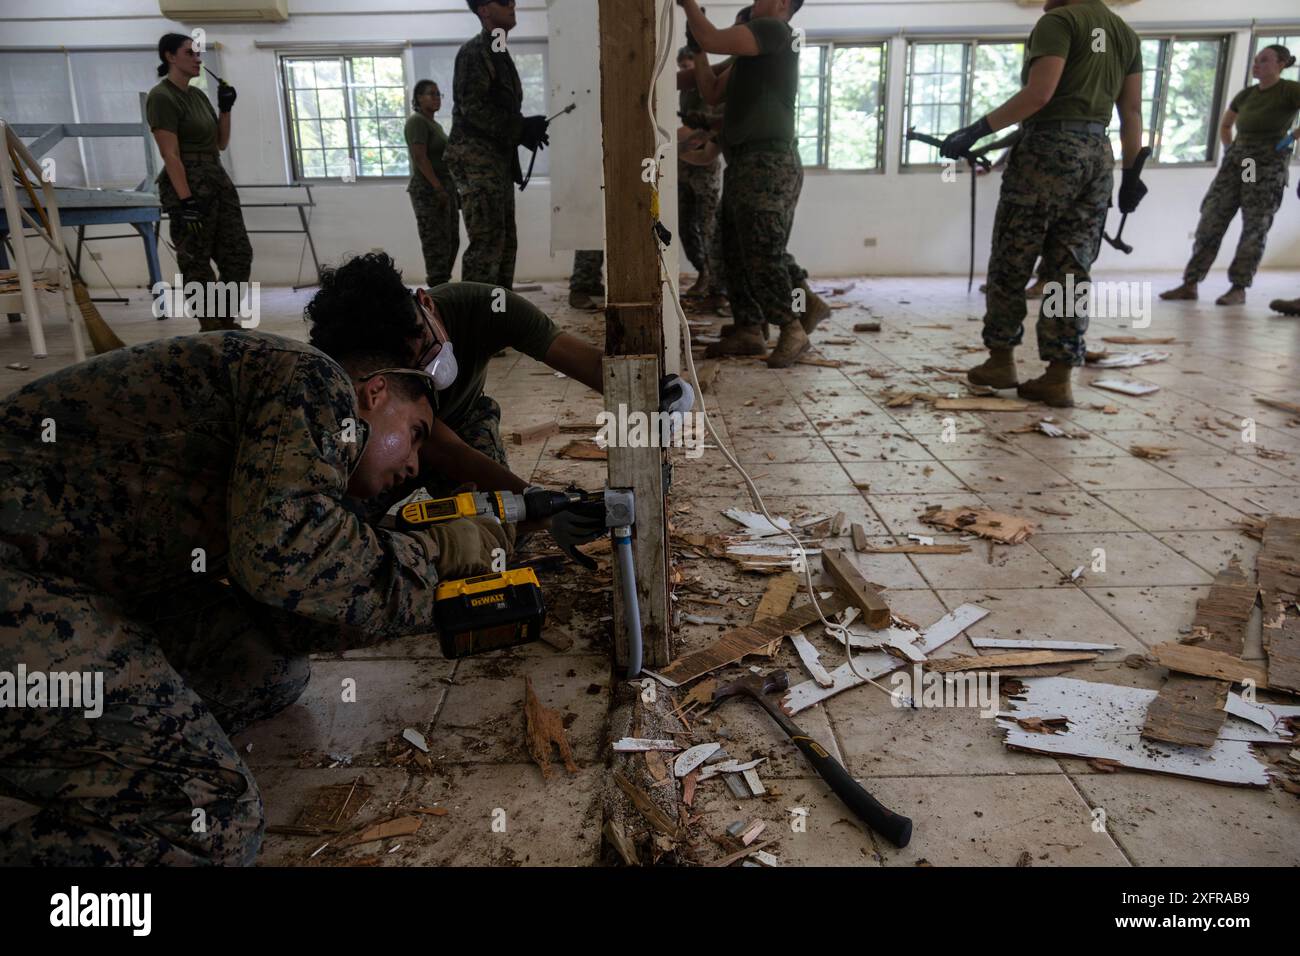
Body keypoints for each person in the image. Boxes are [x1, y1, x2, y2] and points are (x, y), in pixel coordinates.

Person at [0, 331, 511, 864]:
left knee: (264, 667)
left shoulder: (292, 447)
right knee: (212, 825)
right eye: (415, 433)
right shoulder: (316, 381)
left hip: (70, 575)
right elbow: (287, 558)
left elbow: (289, 601)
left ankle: (79, 747)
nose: (412, 465)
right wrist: (434, 554)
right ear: (375, 393)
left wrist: (460, 596)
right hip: (18, 576)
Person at [304, 253, 695, 553]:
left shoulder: (486, 307)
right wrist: (542, 507)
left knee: (499, 533)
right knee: (351, 540)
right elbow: (449, 453)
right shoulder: (349, 378)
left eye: (424, 348)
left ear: (426, 303)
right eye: (408, 371)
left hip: (462, 424)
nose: (428, 373)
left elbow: (591, 365)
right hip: (393, 440)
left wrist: (658, 390)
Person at [942, 0, 1146, 408]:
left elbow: (1040, 94)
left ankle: (1001, 360)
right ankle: (1058, 375)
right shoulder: (1124, 33)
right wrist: (1131, 174)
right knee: (1070, 268)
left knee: (1012, 259)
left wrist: (976, 130)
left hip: (1048, 151)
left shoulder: (1059, 22)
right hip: (1097, 155)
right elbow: (1132, 111)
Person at [681, 0, 811, 369]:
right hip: (744, 162)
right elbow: (709, 90)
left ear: (783, 3)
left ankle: (791, 328)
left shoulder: (775, 30)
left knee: (761, 248)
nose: (755, 1)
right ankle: (749, 328)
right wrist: (696, 49)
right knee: (732, 249)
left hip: (767, 161)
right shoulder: (750, 58)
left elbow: (714, 37)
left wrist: (689, 5)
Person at [1160, 44, 1300, 306]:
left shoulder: (1289, 91)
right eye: (1256, 59)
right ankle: (1190, 283)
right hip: (1239, 162)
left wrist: (1292, 136)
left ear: (1281, 64)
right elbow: (1226, 125)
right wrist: (1230, 148)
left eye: (1264, 60)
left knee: (1254, 226)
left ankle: (1238, 288)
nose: (1257, 64)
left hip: (1266, 165)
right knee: (1212, 218)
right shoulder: (1247, 95)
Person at [147, 33, 252, 331]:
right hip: (188, 182)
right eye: (190, 53)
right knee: (196, 259)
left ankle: (225, 318)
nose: (198, 59)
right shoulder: (162, 97)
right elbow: (170, 154)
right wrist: (186, 200)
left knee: (238, 253)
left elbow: (220, 142)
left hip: (216, 177)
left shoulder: (197, 95)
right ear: (169, 56)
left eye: (198, 54)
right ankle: (211, 324)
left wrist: (226, 108)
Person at [445, 0, 549, 289]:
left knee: (504, 244)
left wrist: (525, 131)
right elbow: (473, 109)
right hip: (476, 164)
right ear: (484, 10)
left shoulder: (499, 52)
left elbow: (499, 108)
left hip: (496, 163)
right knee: (487, 244)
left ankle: (498, 318)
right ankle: (475, 324)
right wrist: (520, 128)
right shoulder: (474, 52)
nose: (513, 5)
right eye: (504, 1)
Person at [677, 45, 724, 300]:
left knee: (708, 227)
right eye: (682, 68)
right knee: (684, 225)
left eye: (688, 67)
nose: (684, 72)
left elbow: (705, 131)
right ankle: (704, 273)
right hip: (683, 166)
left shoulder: (711, 90)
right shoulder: (685, 92)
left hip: (705, 166)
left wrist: (673, 142)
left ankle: (717, 285)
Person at [405, 79, 460, 287]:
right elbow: (420, 157)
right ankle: (438, 289)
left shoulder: (434, 124)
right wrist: (437, 187)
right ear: (419, 98)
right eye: (431, 94)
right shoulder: (417, 121)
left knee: (450, 241)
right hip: (428, 190)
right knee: (436, 242)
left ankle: (442, 285)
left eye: (439, 94)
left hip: (445, 188)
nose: (437, 98)